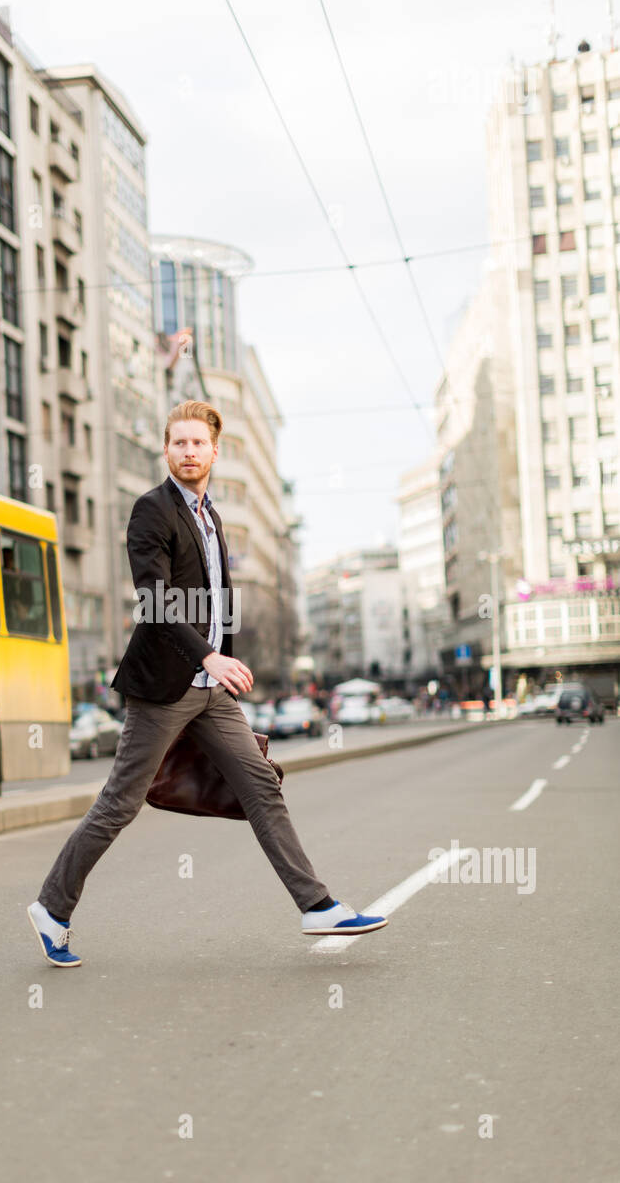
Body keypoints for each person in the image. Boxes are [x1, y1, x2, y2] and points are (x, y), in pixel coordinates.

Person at [27, 399, 387, 967]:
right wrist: (209, 656)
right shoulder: (152, 511)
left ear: (214, 451)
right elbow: (156, 598)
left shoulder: (210, 515)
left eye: (199, 443)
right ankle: (53, 906)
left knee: (262, 785)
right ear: (167, 449)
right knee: (121, 803)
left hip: (210, 686)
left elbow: (216, 601)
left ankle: (317, 905)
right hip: (166, 683)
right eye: (179, 443)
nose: (189, 451)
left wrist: (223, 659)